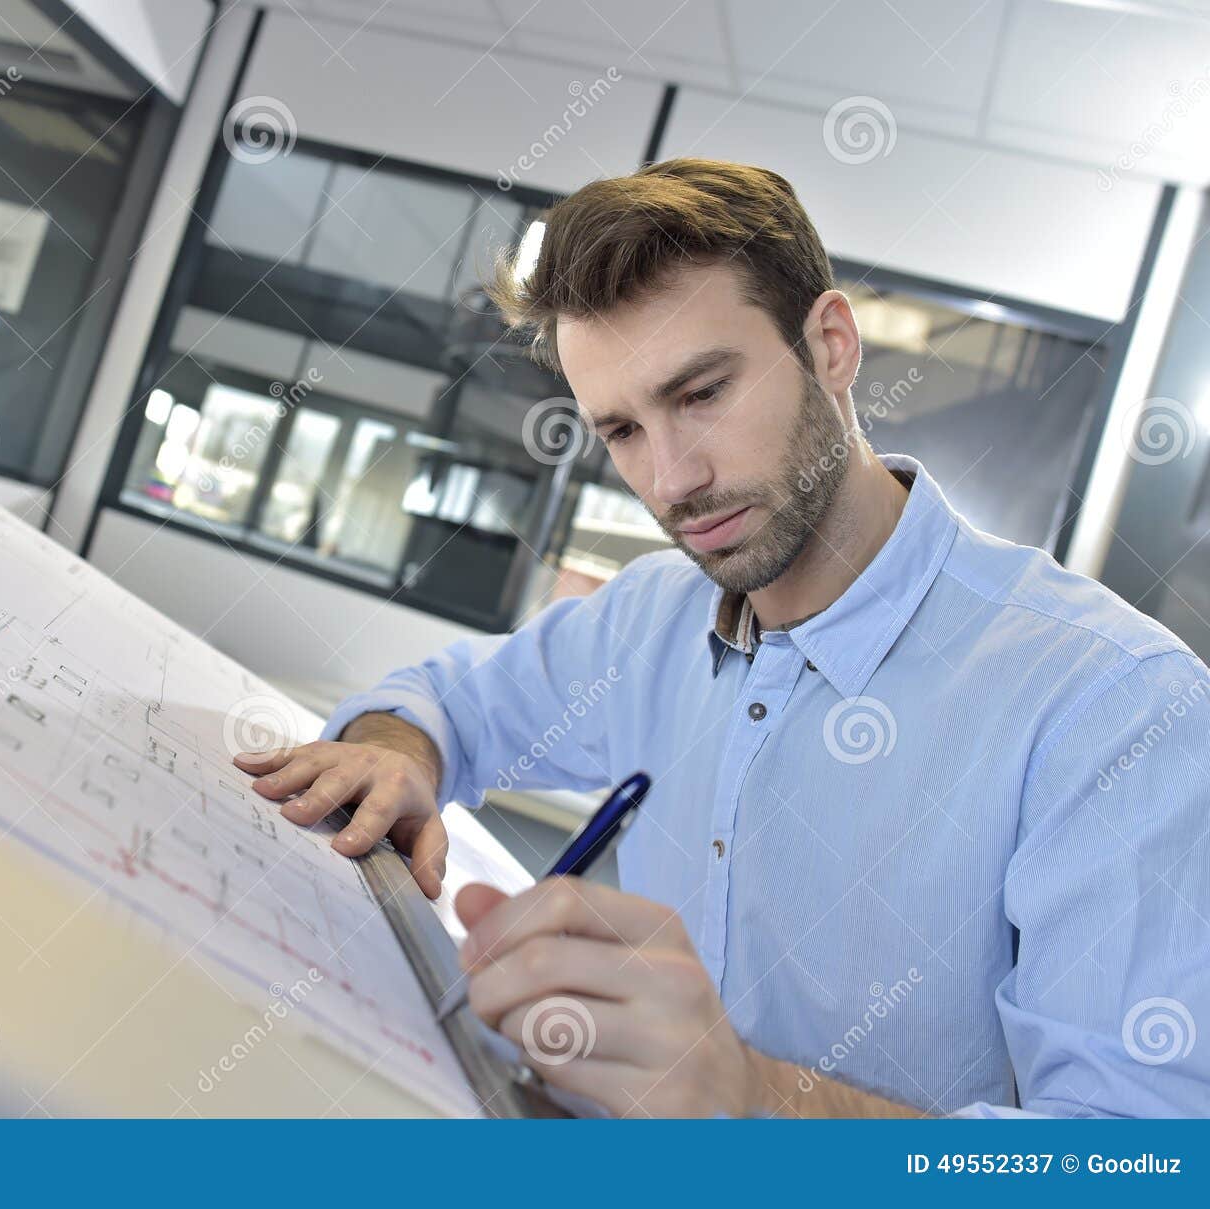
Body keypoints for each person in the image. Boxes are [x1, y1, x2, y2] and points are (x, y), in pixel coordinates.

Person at [233, 158, 1210, 1118]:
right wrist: (397, 754)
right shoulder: (649, 613)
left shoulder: (1115, 705)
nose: (670, 480)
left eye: (700, 394)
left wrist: (752, 1101)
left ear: (829, 346)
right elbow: (437, 700)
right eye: (620, 430)